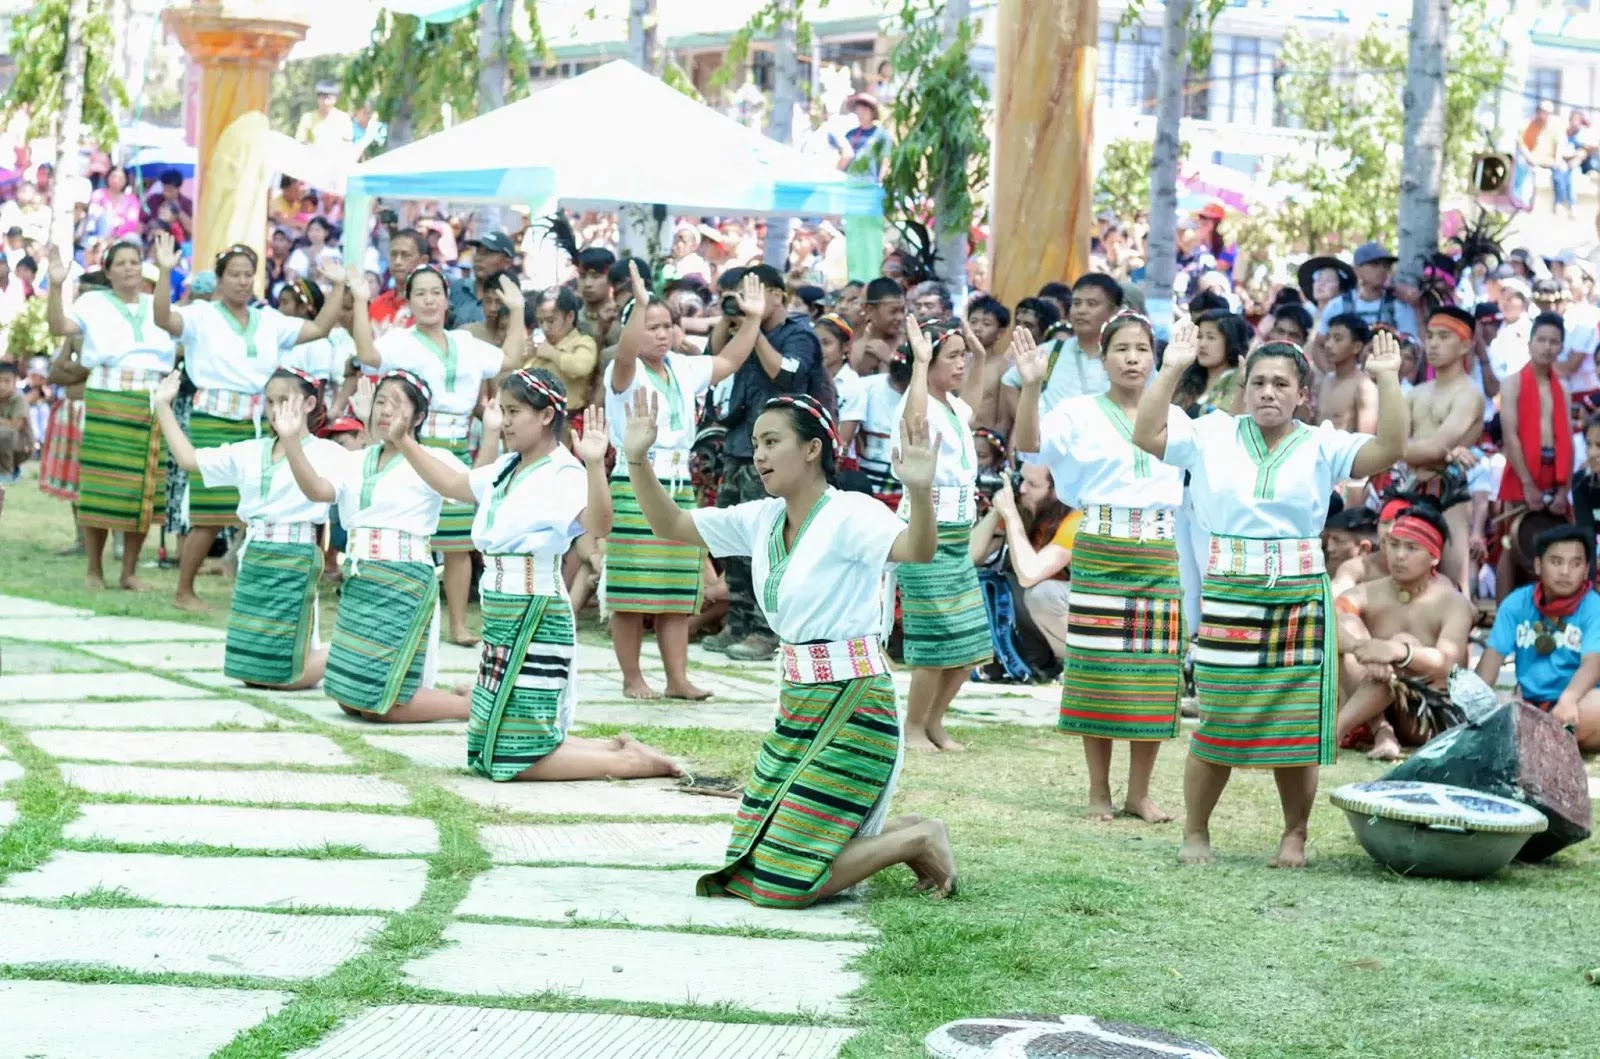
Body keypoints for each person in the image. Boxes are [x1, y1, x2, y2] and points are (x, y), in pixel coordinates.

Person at [623, 386, 958, 904]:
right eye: (756, 443)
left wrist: (919, 490)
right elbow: (671, 524)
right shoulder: (761, 518)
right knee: (750, 864)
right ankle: (906, 830)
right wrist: (636, 459)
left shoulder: (852, 512)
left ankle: (920, 837)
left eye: (772, 441)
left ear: (811, 449)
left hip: (855, 704)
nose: (758, 454)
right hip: (797, 705)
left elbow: (917, 549)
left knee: (783, 882)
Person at [1133, 323, 1407, 867]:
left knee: (1296, 726)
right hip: (1229, 595)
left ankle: (1294, 836)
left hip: (1299, 598)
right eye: (1258, 382)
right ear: (1243, 388)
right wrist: (1170, 368)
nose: (1268, 393)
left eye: (1281, 384)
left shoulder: (1321, 443)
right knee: (1218, 720)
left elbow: (1389, 448)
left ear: (1302, 394)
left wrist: (1388, 379)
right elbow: (1146, 434)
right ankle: (1195, 832)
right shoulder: (1211, 434)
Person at [1016, 311, 1186, 824]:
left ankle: (1140, 793)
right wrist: (1031, 386)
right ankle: (1098, 791)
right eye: (1122, 349)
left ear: (1155, 357)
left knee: (1153, 673)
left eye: (1142, 349)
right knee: (1097, 670)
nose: (1133, 359)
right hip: (1101, 548)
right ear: (1103, 357)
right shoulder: (1078, 412)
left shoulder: (1177, 418)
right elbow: (1029, 444)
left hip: (1157, 552)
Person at [151, 233, 348, 612]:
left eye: (248, 274)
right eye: (234, 274)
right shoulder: (201, 315)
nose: (242, 281)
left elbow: (318, 329)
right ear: (220, 278)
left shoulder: (267, 319)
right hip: (212, 416)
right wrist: (164, 272)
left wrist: (338, 287)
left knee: (254, 504)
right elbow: (163, 318)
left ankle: (240, 572)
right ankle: (184, 590)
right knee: (209, 514)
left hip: (258, 420)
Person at [281, 370, 472, 722]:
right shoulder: (355, 460)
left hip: (404, 581)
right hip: (361, 580)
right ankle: (453, 700)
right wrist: (291, 442)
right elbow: (319, 491)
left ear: (418, 417)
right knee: (349, 699)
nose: (385, 411)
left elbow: (468, 489)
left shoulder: (433, 458)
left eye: (397, 405)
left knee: (381, 708)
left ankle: (469, 706)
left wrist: (409, 443)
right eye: (381, 402)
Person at [351, 265, 526, 645]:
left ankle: (458, 624)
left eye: (436, 293)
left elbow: (510, 359)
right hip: (414, 443)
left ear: (447, 298)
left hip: (458, 443)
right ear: (409, 300)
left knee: (458, 541)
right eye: (420, 293)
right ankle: (409, 615)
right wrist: (361, 300)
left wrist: (517, 311)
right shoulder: (400, 341)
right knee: (415, 530)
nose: (429, 300)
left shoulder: (465, 342)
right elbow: (366, 354)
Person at [606, 262, 758, 697]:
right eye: (650, 326)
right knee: (631, 592)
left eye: (667, 325)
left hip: (678, 485)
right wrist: (638, 304)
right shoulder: (625, 372)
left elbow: (730, 359)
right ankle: (633, 678)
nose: (662, 334)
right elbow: (625, 354)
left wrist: (751, 319)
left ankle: (677, 679)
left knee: (677, 590)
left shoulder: (682, 367)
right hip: (635, 484)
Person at [154, 367, 345, 689]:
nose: (275, 409)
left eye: (284, 400)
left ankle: (350, 650)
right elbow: (188, 459)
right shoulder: (250, 451)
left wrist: (293, 441)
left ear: (309, 404)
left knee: (286, 676)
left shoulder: (328, 453)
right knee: (248, 671)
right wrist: (162, 405)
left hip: (296, 558)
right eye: (269, 401)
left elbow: (326, 490)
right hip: (255, 556)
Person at [705, 264, 833, 661]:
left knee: (769, 544)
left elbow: (787, 376)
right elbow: (714, 361)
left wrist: (754, 327)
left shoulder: (799, 335)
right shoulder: (743, 330)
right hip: (739, 445)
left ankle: (767, 630)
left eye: (754, 292)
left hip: (780, 454)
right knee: (732, 541)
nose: (747, 301)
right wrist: (733, 319)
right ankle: (739, 622)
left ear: (778, 295)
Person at [44, 243, 176, 589]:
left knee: (144, 486)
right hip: (106, 395)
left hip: (151, 399)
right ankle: (94, 570)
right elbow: (58, 326)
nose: (130, 268)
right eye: (121, 263)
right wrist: (55, 285)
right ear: (108, 271)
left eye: (135, 261)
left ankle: (129, 572)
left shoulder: (157, 305)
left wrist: (166, 271)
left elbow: (177, 331)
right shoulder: (93, 303)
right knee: (100, 483)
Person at [896, 315, 992, 752]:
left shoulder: (953, 406)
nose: (960, 364)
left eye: (962, 356)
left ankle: (934, 721)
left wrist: (981, 359)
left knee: (970, 641)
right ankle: (914, 726)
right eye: (952, 356)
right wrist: (919, 363)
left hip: (958, 535)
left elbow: (974, 401)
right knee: (934, 640)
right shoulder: (917, 402)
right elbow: (915, 425)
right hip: (926, 531)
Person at [1333, 502, 1475, 760]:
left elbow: (1448, 664)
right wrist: (1362, 648)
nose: (1399, 555)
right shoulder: (1369, 591)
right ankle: (1382, 732)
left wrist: (1398, 652)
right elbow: (1327, 622)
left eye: (1411, 548)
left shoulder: (1453, 602)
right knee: (1344, 625)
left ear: (1434, 557)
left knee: (1403, 644)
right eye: (1394, 544)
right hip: (1374, 710)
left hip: (1427, 718)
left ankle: (1334, 732)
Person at [1477, 526, 1600, 751]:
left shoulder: (1594, 607)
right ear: (1538, 565)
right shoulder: (1516, 603)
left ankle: (1532, 741)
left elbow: (1593, 663)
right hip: (1530, 705)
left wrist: (1568, 700)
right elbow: (1491, 660)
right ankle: (1545, 740)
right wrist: (1472, 704)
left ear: (1586, 570)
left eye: (1575, 563)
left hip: (1578, 703)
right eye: (1556, 561)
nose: (1565, 571)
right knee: (1492, 708)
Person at [1402, 306, 1486, 593]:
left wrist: (1399, 450)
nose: (1433, 344)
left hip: (1449, 492)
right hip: (1411, 488)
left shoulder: (1469, 393)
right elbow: (1391, 442)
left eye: (1444, 336)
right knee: (1405, 583)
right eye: (1430, 336)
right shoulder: (1416, 392)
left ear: (1464, 345)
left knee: (1454, 588)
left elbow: (1436, 448)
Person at [998, 273, 1121, 426]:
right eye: (1077, 303)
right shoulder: (1050, 351)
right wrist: (1031, 429)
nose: (1081, 310)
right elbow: (1009, 382)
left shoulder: (1124, 357)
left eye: (1092, 304)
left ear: (1114, 312)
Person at [528, 287, 599, 424]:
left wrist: (551, 353)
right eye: (541, 322)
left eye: (550, 321)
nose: (545, 327)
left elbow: (580, 367)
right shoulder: (539, 344)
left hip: (566, 421)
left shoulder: (583, 342)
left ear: (569, 317)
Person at [1176, 310, 1249, 417]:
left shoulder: (1240, 378)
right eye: (1199, 336)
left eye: (1211, 337)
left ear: (1231, 341)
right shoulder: (1189, 375)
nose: (1202, 344)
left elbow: (1227, 418)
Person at [1316, 313, 1375, 432]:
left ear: (1357, 347)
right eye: (1327, 338)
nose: (1328, 345)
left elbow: (1365, 438)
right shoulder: (1325, 380)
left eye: (1337, 339)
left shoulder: (1365, 388)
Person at [966, 294, 1012, 432]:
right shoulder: (958, 363)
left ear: (1000, 332)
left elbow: (1004, 421)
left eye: (986, 324)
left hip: (983, 439)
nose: (977, 328)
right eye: (973, 322)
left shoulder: (1004, 368)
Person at [451, 231, 517, 327]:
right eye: (478, 251)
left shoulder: (512, 299)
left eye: (488, 253)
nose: (479, 258)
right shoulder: (459, 287)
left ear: (507, 263)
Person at [368, 228, 425, 336]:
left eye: (405, 255)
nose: (397, 261)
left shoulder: (430, 304)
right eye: (393, 255)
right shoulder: (377, 304)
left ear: (423, 261)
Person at [843, 94, 892, 183]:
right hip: (850, 182)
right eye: (859, 111)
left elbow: (885, 161)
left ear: (873, 113)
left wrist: (880, 182)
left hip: (870, 183)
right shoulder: (850, 135)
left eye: (865, 111)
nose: (861, 114)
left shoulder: (882, 135)